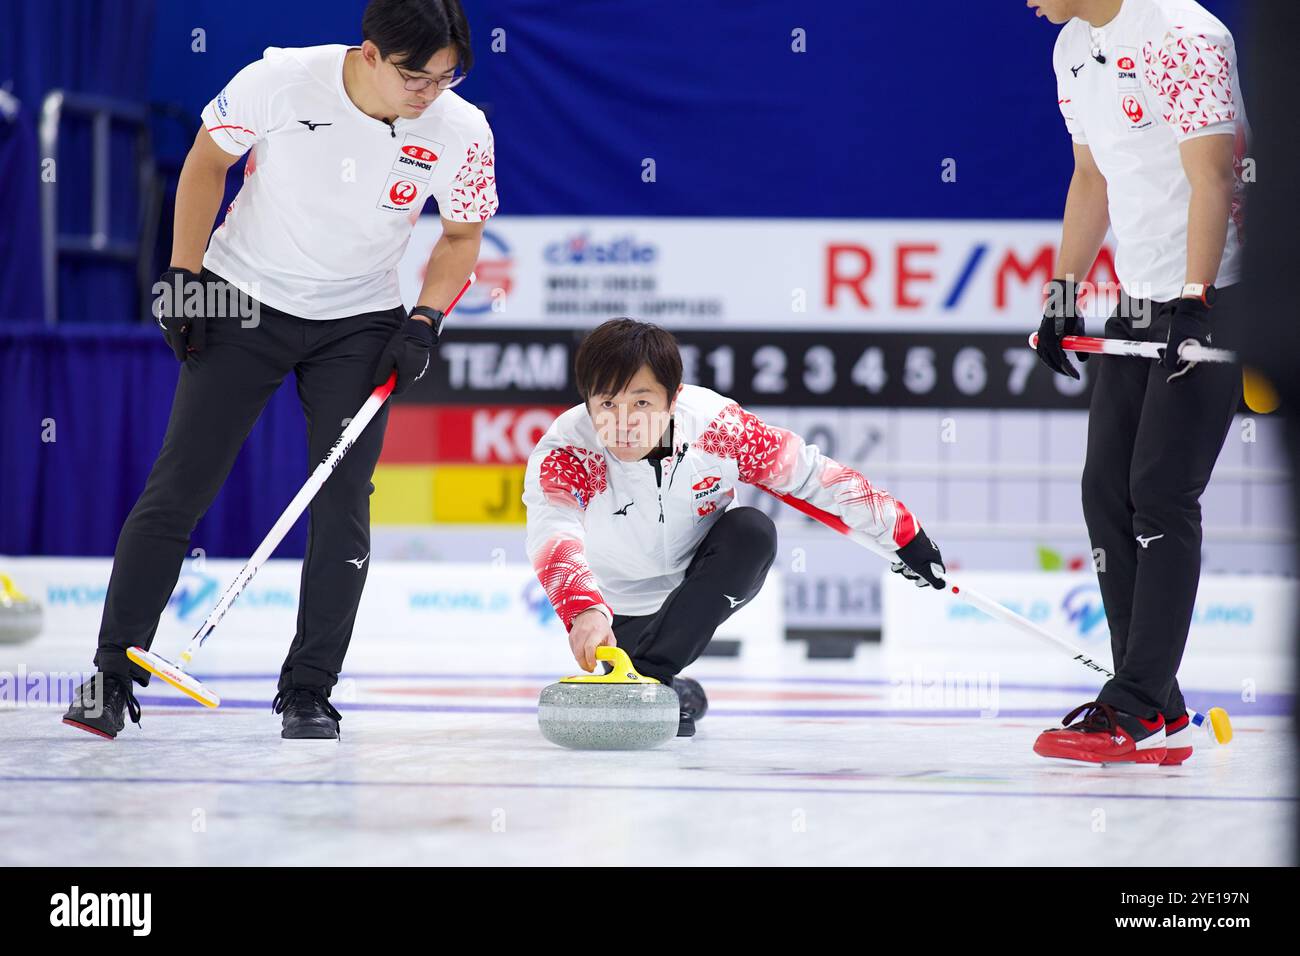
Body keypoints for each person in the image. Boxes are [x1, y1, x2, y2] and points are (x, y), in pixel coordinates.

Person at [63, 0, 497, 741]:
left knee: (341, 506)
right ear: (369, 55)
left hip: (359, 320)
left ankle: (309, 691)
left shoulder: (461, 129)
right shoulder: (283, 80)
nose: (431, 93)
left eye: (448, 77)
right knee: (180, 486)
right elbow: (207, 162)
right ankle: (111, 676)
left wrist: (425, 317)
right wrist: (181, 275)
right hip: (243, 297)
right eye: (416, 76)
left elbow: (461, 235)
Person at [522, 318, 947, 736]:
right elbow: (554, 531)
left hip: (695, 587)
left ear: (673, 400)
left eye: (642, 402)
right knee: (636, 656)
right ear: (587, 403)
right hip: (614, 608)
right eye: (607, 404)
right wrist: (583, 610)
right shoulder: (567, 451)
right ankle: (669, 687)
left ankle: (652, 682)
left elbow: (811, 476)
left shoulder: (716, 427)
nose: (624, 421)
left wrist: (903, 535)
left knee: (752, 531)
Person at [1027, 0, 1247, 763]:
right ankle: (1157, 700)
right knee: (1106, 491)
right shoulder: (1072, 46)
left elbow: (1212, 175)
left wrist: (1198, 296)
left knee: (1160, 491)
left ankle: (1136, 703)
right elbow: (1090, 178)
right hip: (1141, 297)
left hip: (1218, 291)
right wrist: (1061, 300)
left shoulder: (1184, 34)